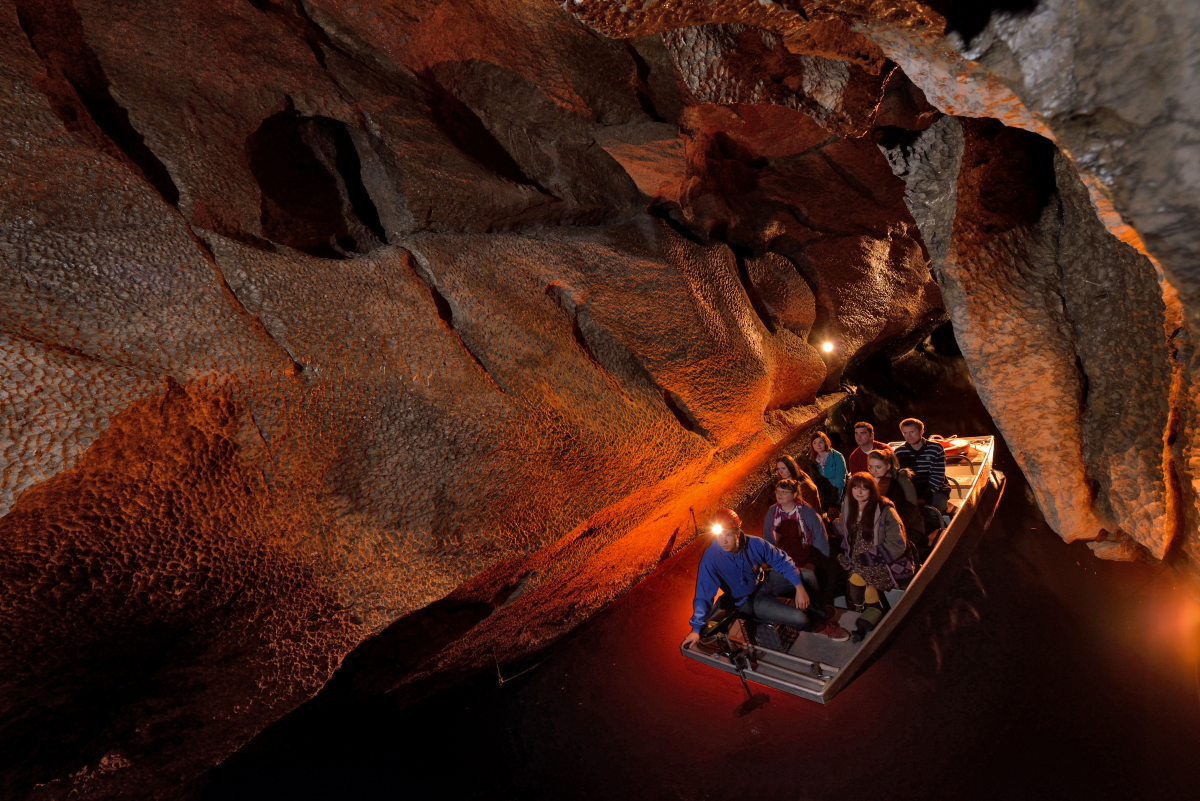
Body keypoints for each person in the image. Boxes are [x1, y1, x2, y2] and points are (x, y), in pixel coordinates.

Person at [682, 509, 849, 649]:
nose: (723, 541)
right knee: (799, 618)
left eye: (728, 535)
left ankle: (819, 622)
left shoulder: (755, 543)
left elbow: (783, 561)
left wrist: (799, 587)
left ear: (737, 533)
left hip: (763, 582)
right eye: (719, 535)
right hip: (747, 601)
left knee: (807, 576)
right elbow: (704, 595)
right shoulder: (711, 558)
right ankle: (807, 623)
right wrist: (696, 628)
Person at [836, 473, 916, 642]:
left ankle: (863, 615)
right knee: (858, 582)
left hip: (883, 561)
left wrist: (870, 558)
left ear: (872, 490)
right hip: (858, 557)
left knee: (860, 580)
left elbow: (898, 543)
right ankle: (864, 614)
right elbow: (847, 533)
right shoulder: (848, 505)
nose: (859, 492)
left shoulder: (886, 509)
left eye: (864, 488)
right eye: (856, 487)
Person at [894, 418, 949, 539]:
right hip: (912, 491)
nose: (909, 436)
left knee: (931, 512)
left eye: (912, 432)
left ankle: (938, 536)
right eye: (905, 433)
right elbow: (902, 479)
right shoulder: (899, 452)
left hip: (935, 489)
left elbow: (938, 476)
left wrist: (924, 497)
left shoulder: (936, 448)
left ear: (921, 432)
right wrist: (912, 497)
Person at [762, 478, 830, 568]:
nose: (779, 494)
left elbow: (820, 537)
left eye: (784, 492)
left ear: (794, 494)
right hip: (782, 562)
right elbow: (768, 538)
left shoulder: (806, 511)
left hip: (806, 562)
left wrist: (812, 563)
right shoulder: (773, 511)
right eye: (777, 491)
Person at [867, 448, 924, 544]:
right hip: (879, 526)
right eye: (871, 467)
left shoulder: (901, 479)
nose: (874, 471)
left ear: (888, 466)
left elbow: (912, 506)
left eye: (878, 467)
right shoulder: (869, 481)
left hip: (908, 524)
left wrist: (895, 526)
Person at [808, 431, 847, 514]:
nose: (818, 445)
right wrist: (826, 503)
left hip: (841, 493)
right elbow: (816, 483)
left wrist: (834, 504)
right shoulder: (812, 461)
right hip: (826, 498)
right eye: (814, 443)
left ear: (826, 442)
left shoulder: (837, 456)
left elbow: (840, 481)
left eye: (821, 442)